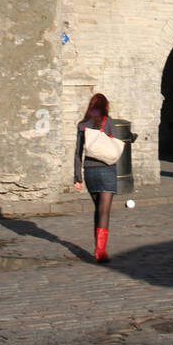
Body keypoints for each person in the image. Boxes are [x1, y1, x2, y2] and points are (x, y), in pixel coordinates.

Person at [74, 92, 117, 262]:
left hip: (90, 171)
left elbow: (78, 153)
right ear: (105, 107)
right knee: (104, 211)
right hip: (107, 170)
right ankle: (100, 251)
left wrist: (77, 177)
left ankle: (97, 249)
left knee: (97, 210)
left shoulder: (82, 125)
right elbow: (117, 146)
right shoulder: (109, 123)